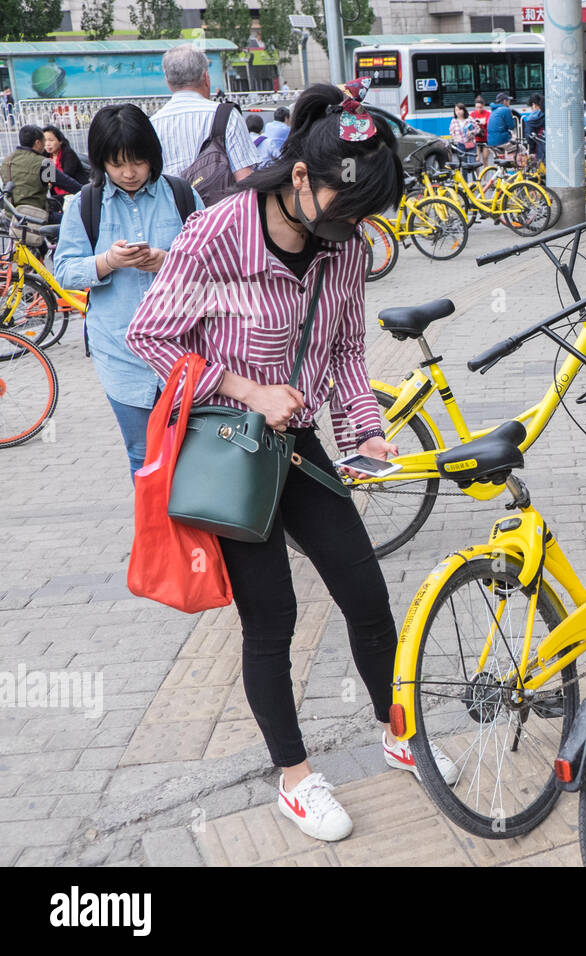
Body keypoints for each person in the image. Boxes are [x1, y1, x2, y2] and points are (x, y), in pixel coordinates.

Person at [127, 83, 454, 843]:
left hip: (297, 444)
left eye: (366, 214)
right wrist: (244, 388)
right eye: (347, 206)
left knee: (368, 596)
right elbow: (149, 334)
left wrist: (365, 429)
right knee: (272, 617)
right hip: (227, 444)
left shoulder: (347, 247)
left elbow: (344, 351)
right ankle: (296, 778)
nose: (355, 227)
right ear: (301, 177)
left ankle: (398, 729)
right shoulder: (216, 234)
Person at [52, 106, 204, 478]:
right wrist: (107, 261)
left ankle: (201, 536)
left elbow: (216, 261)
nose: (129, 173)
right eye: (117, 164)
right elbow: (66, 271)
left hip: (186, 352)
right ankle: (157, 538)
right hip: (121, 355)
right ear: (102, 161)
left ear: (152, 156)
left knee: (198, 455)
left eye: (138, 161)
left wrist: (169, 260)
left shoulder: (181, 194)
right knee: (144, 460)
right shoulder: (86, 204)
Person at [149, 44, 259, 181]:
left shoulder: (152, 124)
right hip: (220, 201)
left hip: (173, 202)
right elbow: (244, 177)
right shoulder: (226, 116)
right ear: (206, 78)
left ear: (168, 82)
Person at [2, 125, 80, 253]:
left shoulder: (7, 161)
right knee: (71, 223)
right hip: (35, 215)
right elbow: (66, 183)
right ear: (37, 143)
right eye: (44, 141)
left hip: (12, 215)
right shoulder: (43, 162)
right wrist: (85, 190)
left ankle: (38, 257)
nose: (45, 145)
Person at [521, 94, 544, 162]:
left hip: (538, 147)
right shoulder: (547, 114)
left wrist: (532, 150)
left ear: (534, 105)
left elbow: (529, 136)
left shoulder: (531, 119)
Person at [469, 95, 491, 163]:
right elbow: (469, 125)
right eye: (477, 107)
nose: (479, 109)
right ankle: (478, 174)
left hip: (486, 139)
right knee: (477, 159)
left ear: (483, 106)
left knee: (485, 159)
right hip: (476, 139)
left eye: (480, 107)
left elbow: (489, 124)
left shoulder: (488, 113)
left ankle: (485, 173)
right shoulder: (472, 114)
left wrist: (482, 123)